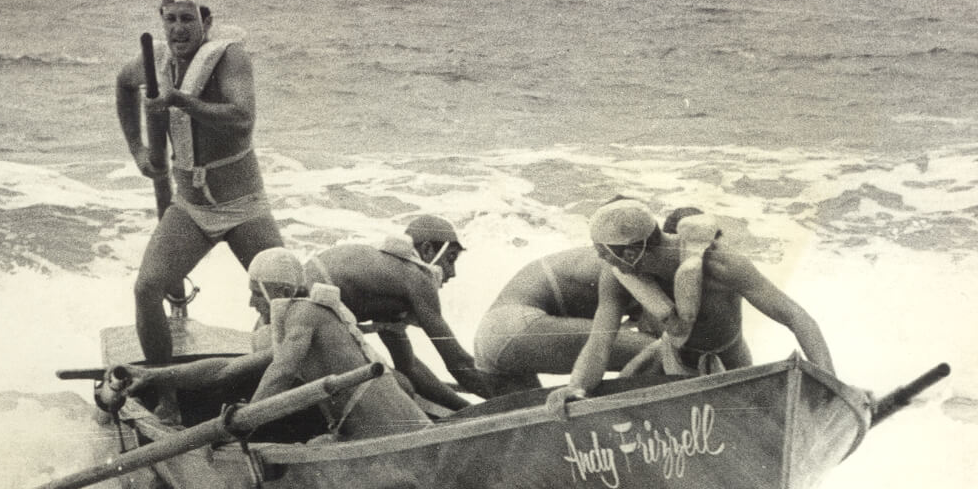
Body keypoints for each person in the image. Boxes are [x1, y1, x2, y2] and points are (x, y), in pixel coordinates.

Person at [115, 0, 284, 368]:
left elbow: (242, 119)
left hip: (242, 206)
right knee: (146, 289)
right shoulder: (156, 61)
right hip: (191, 208)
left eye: (187, 19)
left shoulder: (229, 57)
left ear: (206, 22)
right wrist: (138, 150)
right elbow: (124, 85)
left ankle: (278, 372)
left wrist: (179, 100)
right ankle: (163, 387)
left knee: (285, 297)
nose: (178, 29)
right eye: (171, 19)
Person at [547, 198, 834, 417]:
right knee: (620, 398)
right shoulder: (616, 276)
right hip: (672, 357)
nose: (602, 260)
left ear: (631, 253)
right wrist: (576, 386)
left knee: (742, 418)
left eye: (603, 252)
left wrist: (828, 381)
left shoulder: (720, 264)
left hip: (730, 359)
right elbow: (599, 343)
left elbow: (796, 317)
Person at [122, 248, 431, 440]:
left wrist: (245, 422)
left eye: (257, 293)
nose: (251, 303)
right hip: (372, 430)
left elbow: (281, 373)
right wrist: (153, 375)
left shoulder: (304, 313)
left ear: (281, 292)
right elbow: (225, 370)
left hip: (392, 431)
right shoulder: (300, 326)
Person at [471, 206, 713, 393]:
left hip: (494, 336)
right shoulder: (625, 267)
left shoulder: (620, 252)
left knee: (544, 429)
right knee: (666, 355)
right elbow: (669, 338)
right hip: (519, 325)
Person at [302, 215, 495, 409]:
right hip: (308, 318)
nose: (453, 273)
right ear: (427, 250)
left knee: (403, 383)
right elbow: (460, 365)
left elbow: (409, 367)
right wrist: (505, 399)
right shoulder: (417, 278)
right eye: (450, 259)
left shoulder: (387, 278)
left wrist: (466, 409)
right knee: (402, 386)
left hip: (300, 317)